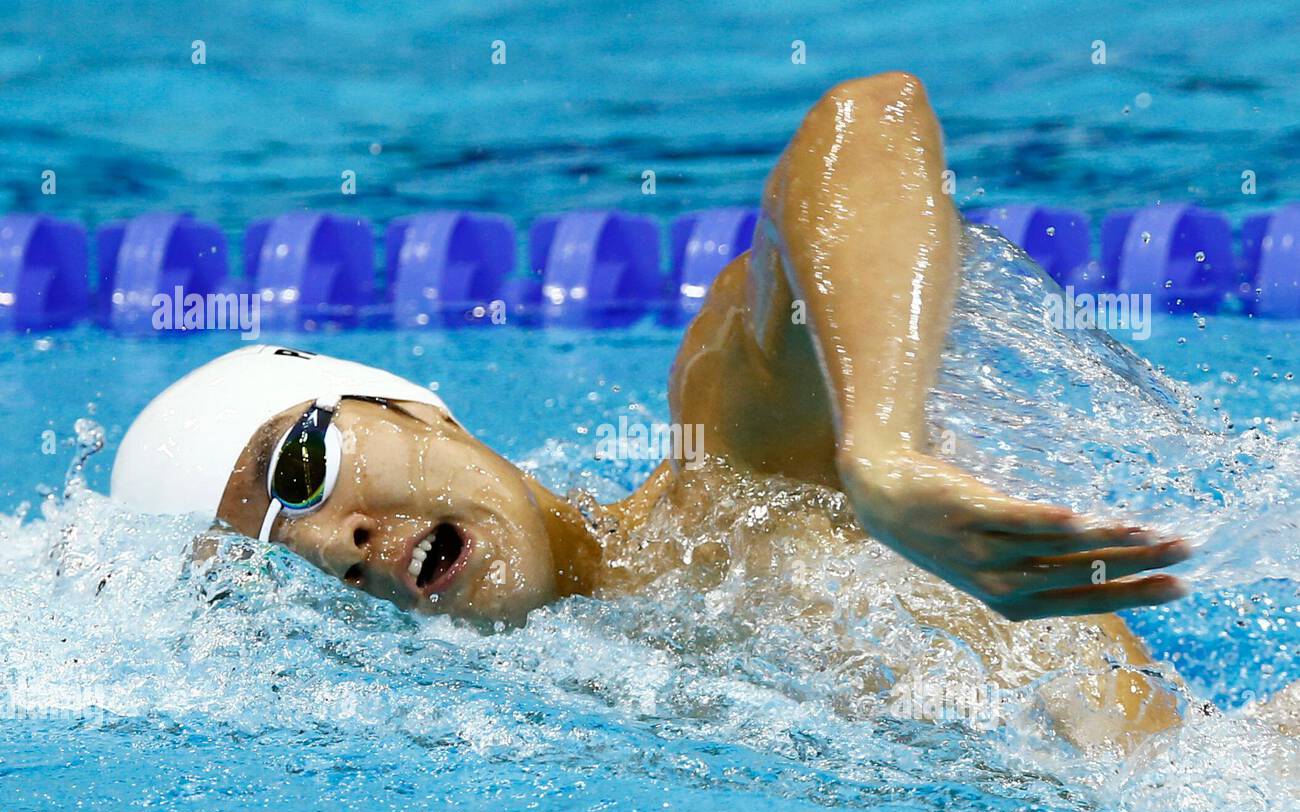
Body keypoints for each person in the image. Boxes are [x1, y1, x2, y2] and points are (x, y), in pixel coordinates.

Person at [112, 73, 1203, 751]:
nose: (327, 546)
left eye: (298, 467)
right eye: (275, 561)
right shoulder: (567, 726)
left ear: (412, 409)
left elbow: (866, 120)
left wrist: (879, 448)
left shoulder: (733, 463)